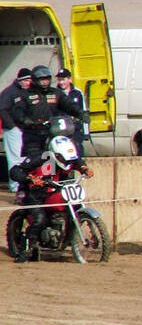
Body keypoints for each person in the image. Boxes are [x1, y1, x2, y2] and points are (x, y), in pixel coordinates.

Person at [8, 134, 94, 263]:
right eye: (63, 159)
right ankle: (25, 251)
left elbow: (77, 161)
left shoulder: (69, 159)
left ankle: (67, 237)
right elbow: (15, 171)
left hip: (55, 191)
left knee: (75, 206)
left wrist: (84, 168)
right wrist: (31, 179)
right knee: (40, 219)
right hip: (33, 194)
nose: (67, 163)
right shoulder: (39, 158)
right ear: (55, 154)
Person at [12, 65, 87, 158]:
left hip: (53, 134)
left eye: (47, 79)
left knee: (64, 157)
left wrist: (81, 113)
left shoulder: (55, 93)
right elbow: (17, 112)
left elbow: (69, 105)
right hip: (33, 136)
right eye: (42, 80)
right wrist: (24, 120)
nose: (45, 82)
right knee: (34, 162)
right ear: (35, 80)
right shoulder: (25, 95)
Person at [1, 68, 33, 193]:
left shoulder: (30, 91)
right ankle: (15, 187)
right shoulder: (9, 92)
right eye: (25, 80)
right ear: (19, 81)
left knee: (26, 159)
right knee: (15, 159)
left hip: (27, 129)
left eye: (29, 80)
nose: (28, 82)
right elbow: (2, 110)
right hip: (13, 130)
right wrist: (12, 126)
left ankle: (25, 186)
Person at [54, 68, 89, 157]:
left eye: (63, 79)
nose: (61, 82)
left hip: (75, 129)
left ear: (69, 79)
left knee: (77, 151)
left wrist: (86, 132)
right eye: (59, 80)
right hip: (60, 130)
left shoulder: (77, 93)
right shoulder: (54, 93)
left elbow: (83, 112)